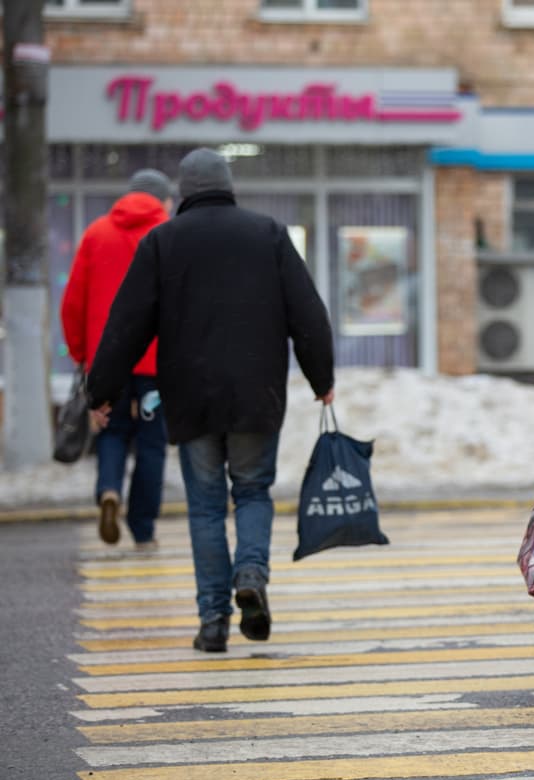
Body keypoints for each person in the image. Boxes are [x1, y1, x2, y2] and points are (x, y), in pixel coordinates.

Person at [86, 148, 335, 654]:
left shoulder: (163, 241)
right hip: (256, 394)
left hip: (190, 396)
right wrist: (320, 377)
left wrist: (103, 390)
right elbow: (307, 313)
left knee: (203, 508)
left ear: (183, 191)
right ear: (228, 185)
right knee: (251, 490)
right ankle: (251, 573)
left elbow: (126, 323)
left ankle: (213, 623)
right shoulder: (266, 233)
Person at [61, 169, 175, 550]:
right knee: (151, 442)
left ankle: (109, 490)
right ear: (163, 199)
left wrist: (82, 355)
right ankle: (143, 529)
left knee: (111, 431)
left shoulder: (97, 233)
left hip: (107, 362)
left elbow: (73, 302)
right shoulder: (169, 234)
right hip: (155, 368)